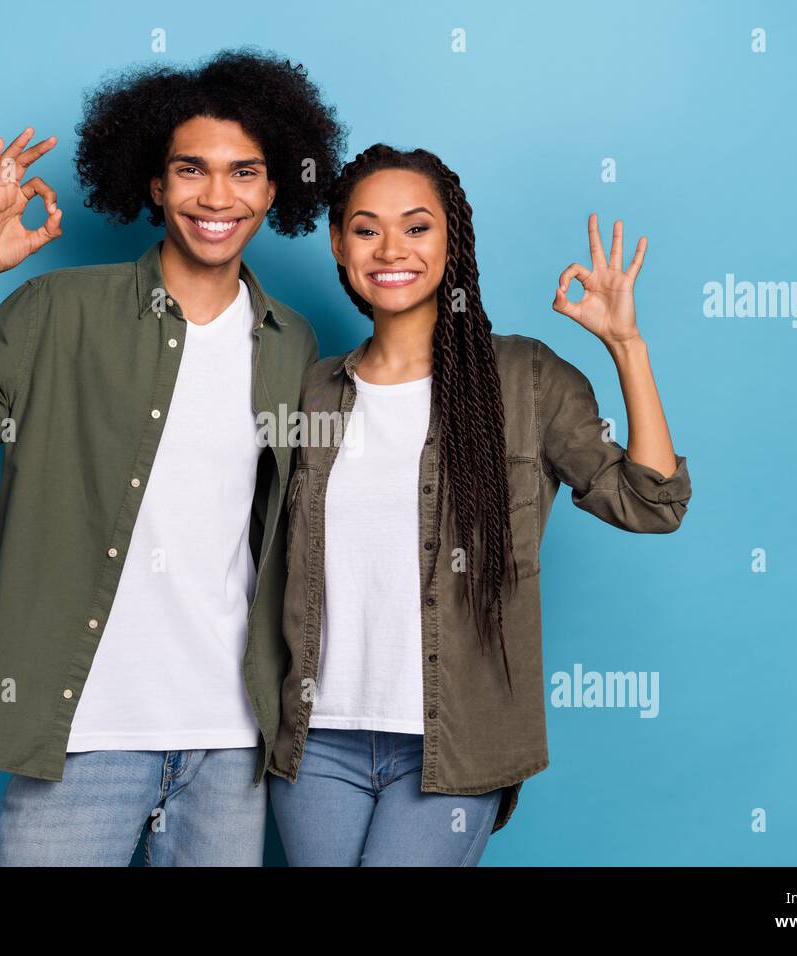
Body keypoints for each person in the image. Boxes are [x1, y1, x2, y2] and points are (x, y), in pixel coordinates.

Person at [0, 49, 345, 866]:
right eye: (191, 170)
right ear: (155, 185)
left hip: (231, 748)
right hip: (82, 735)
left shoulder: (292, 341)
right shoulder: (58, 311)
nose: (217, 196)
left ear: (274, 190)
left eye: (245, 173)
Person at [268, 144, 693, 866]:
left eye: (417, 227)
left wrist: (627, 346)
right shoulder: (311, 390)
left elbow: (650, 503)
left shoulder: (524, 378)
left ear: (452, 241)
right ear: (339, 245)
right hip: (317, 740)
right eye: (366, 229)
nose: (390, 249)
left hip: (457, 743)